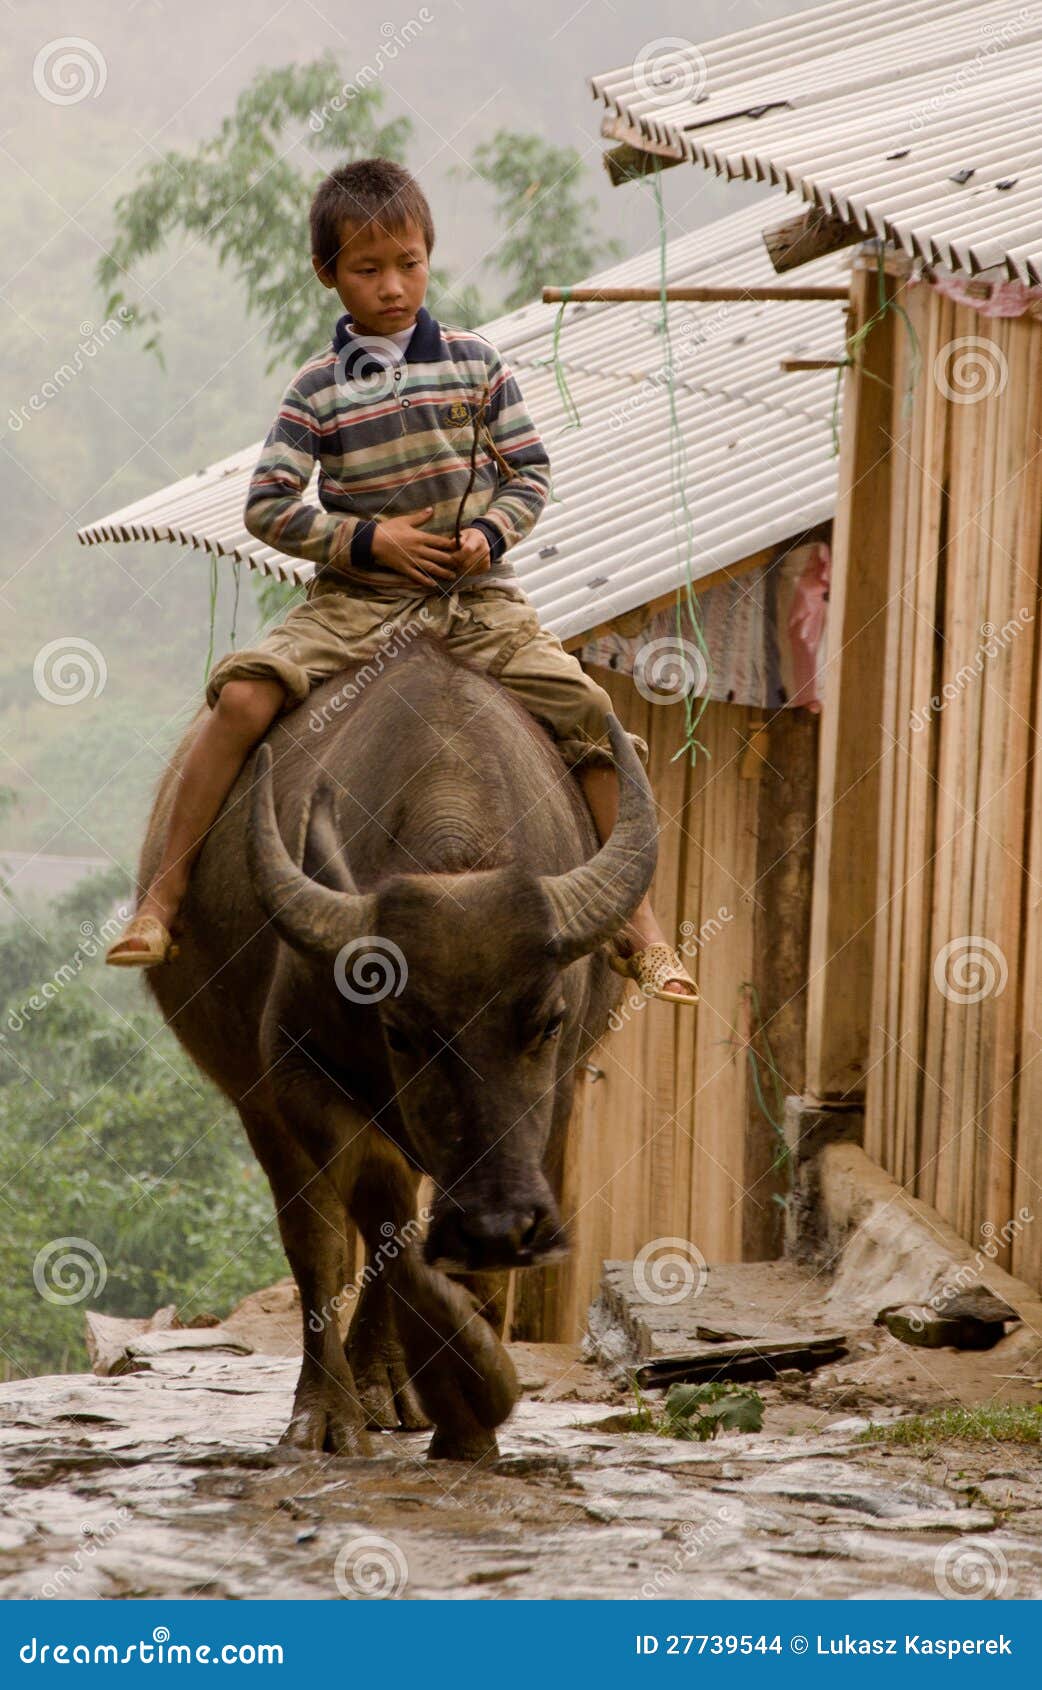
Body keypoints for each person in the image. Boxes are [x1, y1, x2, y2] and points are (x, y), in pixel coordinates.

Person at [106, 157, 697, 1004]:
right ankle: (161, 901)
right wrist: (367, 539)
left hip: (476, 604)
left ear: (430, 256)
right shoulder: (316, 389)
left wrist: (488, 536)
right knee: (240, 701)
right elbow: (266, 507)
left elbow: (529, 473)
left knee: (593, 717)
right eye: (367, 269)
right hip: (355, 604)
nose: (392, 287)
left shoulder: (476, 363)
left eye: (408, 263)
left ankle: (640, 928)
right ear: (328, 275)